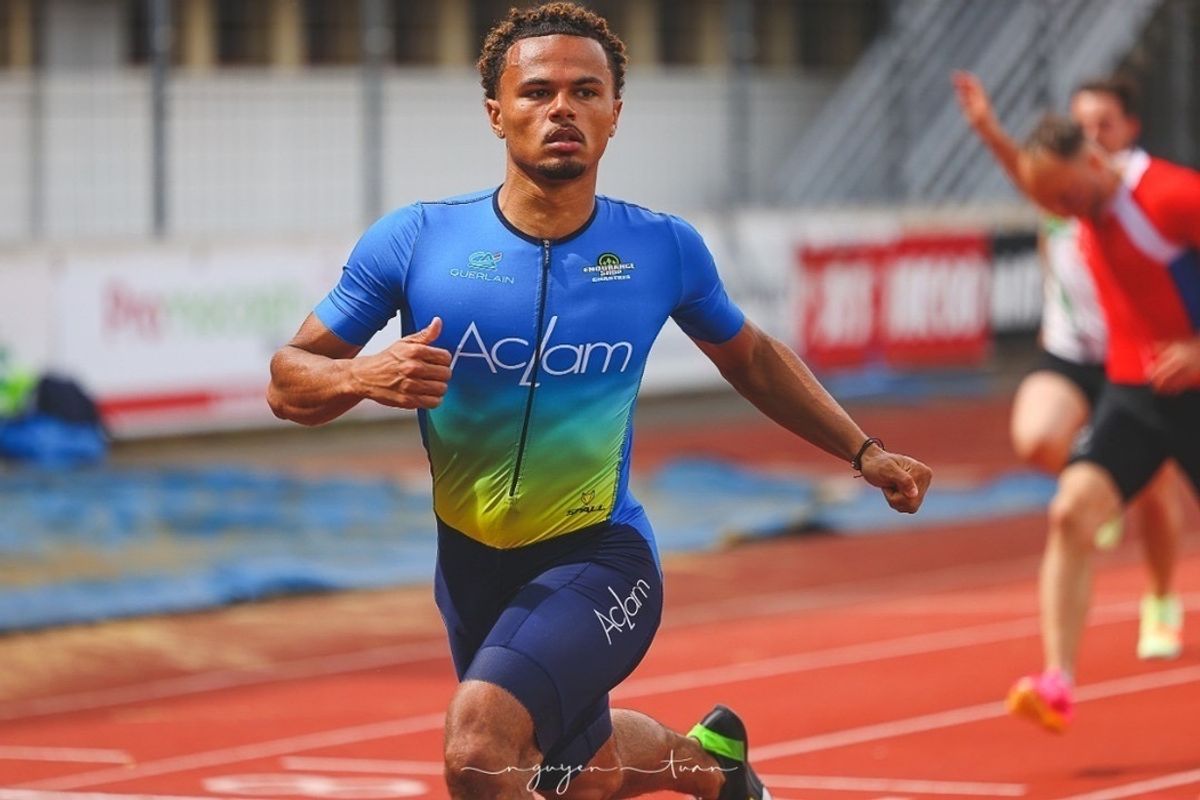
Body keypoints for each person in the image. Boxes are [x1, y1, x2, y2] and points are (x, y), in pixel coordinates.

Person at [268, 4, 932, 798]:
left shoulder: (661, 248)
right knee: (580, 775)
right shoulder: (417, 242)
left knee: (480, 748)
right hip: (469, 563)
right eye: (537, 92)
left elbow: (751, 358)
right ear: (496, 113)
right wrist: (359, 377)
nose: (561, 111)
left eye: (586, 92)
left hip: (601, 556)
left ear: (615, 113)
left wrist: (864, 451)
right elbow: (288, 378)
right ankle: (713, 768)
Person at [962, 110, 1200, 734]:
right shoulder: (1082, 208)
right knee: (1070, 513)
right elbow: (1037, 178)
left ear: (1095, 159)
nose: (1062, 211)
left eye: (1065, 195)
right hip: (1136, 395)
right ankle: (1057, 681)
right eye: (1049, 204)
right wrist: (990, 131)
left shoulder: (1172, 197)